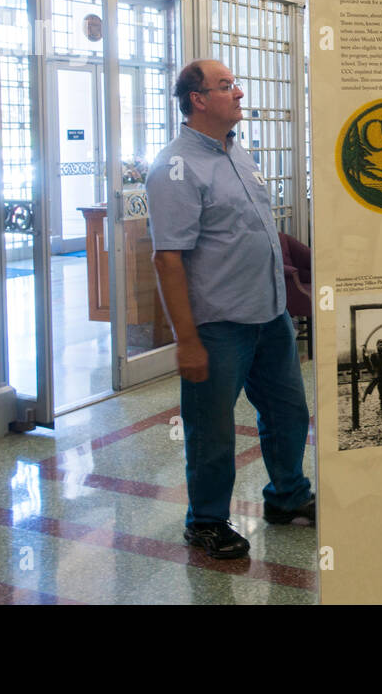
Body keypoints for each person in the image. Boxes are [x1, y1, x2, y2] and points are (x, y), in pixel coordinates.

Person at [147, 59, 314, 560]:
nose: (238, 93)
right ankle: (205, 521)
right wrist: (188, 340)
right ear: (198, 99)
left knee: (289, 413)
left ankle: (287, 497)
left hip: (269, 314)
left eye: (235, 84)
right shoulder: (176, 167)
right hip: (218, 325)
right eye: (227, 86)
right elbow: (168, 259)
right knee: (213, 430)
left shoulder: (237, 153)